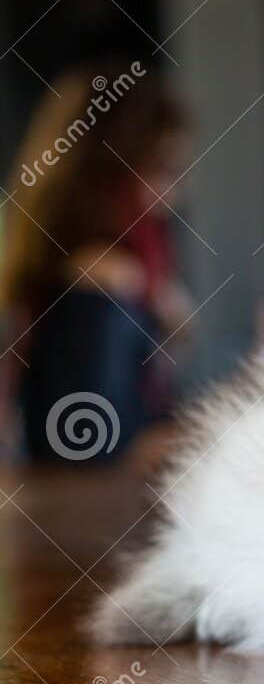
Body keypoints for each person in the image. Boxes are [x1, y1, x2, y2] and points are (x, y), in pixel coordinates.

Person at [0, 63, 192, 464]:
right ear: (108, 176)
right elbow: (89, 456)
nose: (173, 195)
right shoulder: (104, 294)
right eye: (164, 170)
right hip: (91, 521)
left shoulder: (65, 282)